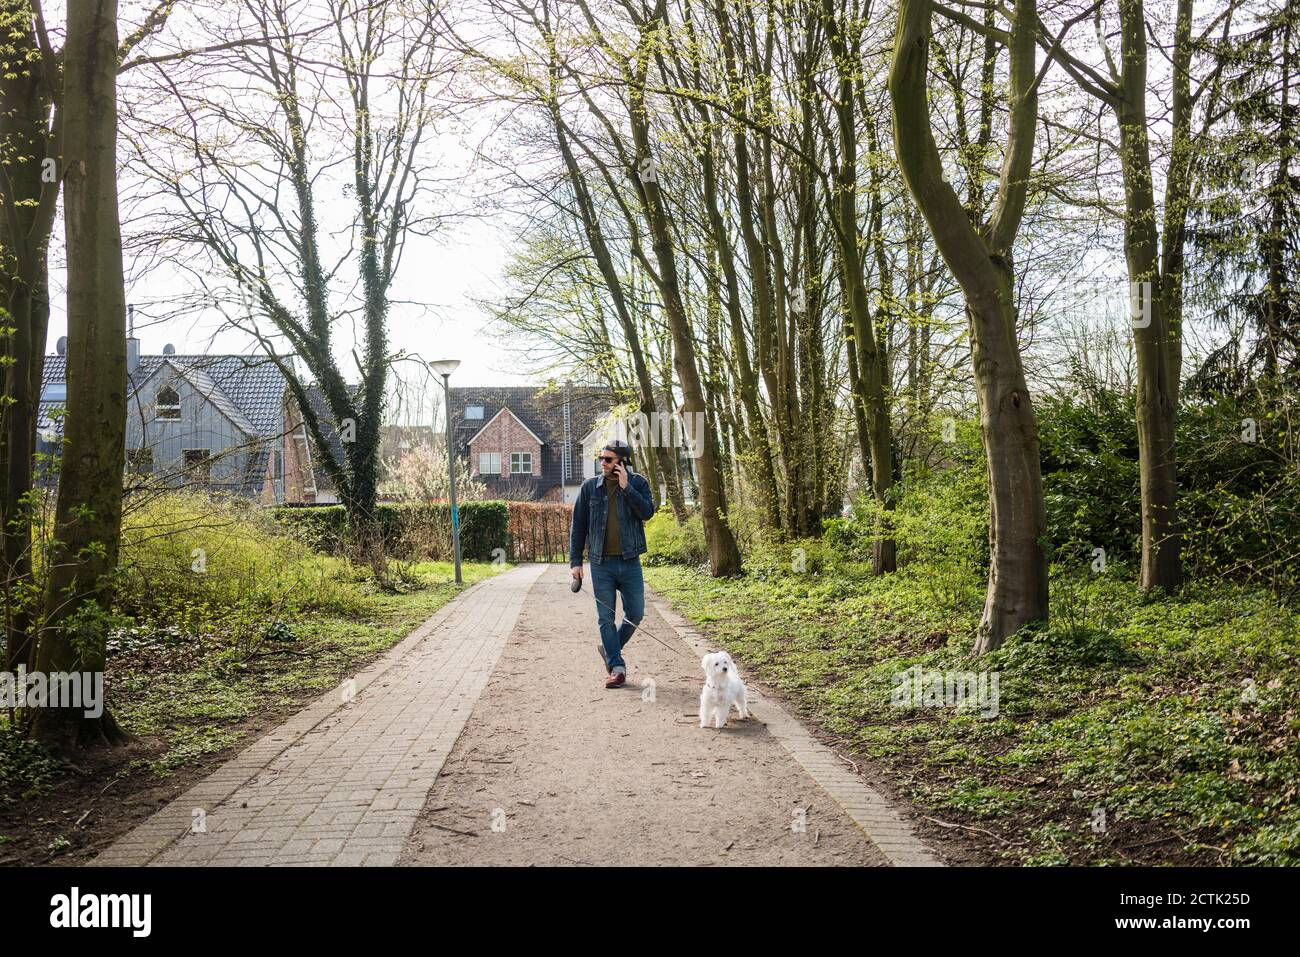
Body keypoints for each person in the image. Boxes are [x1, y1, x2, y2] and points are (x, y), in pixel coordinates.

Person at [569, 439, 655, 688]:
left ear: (622, 462)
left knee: (635, 613)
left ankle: (609, 647)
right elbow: (578, 527)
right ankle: (617, 667)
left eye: (608, 459)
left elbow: (647, 512)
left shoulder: (638, 483)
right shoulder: (589, 488)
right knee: (605, 618)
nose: (602, 463)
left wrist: (626, 487)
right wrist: (575, 562)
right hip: (601, 563)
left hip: (630, 561)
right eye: (602, 458)